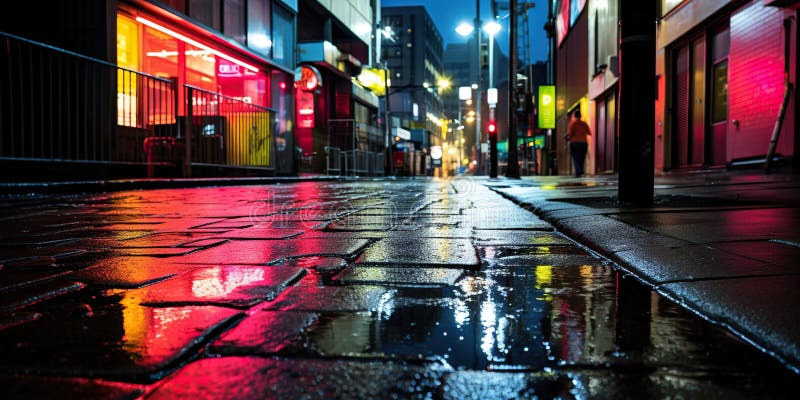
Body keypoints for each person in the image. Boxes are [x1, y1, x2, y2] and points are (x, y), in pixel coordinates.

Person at [566, 109, 591, 177]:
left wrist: (567, 138)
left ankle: (578, 171)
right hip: (583, 143)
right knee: (582, 158)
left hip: (574, 143)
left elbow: (570, 134)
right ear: (580, 116)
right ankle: (580, 170)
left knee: (575, 158)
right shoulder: (584, 124)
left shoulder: (572, 124)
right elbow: (589, 132)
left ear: (575, 116)